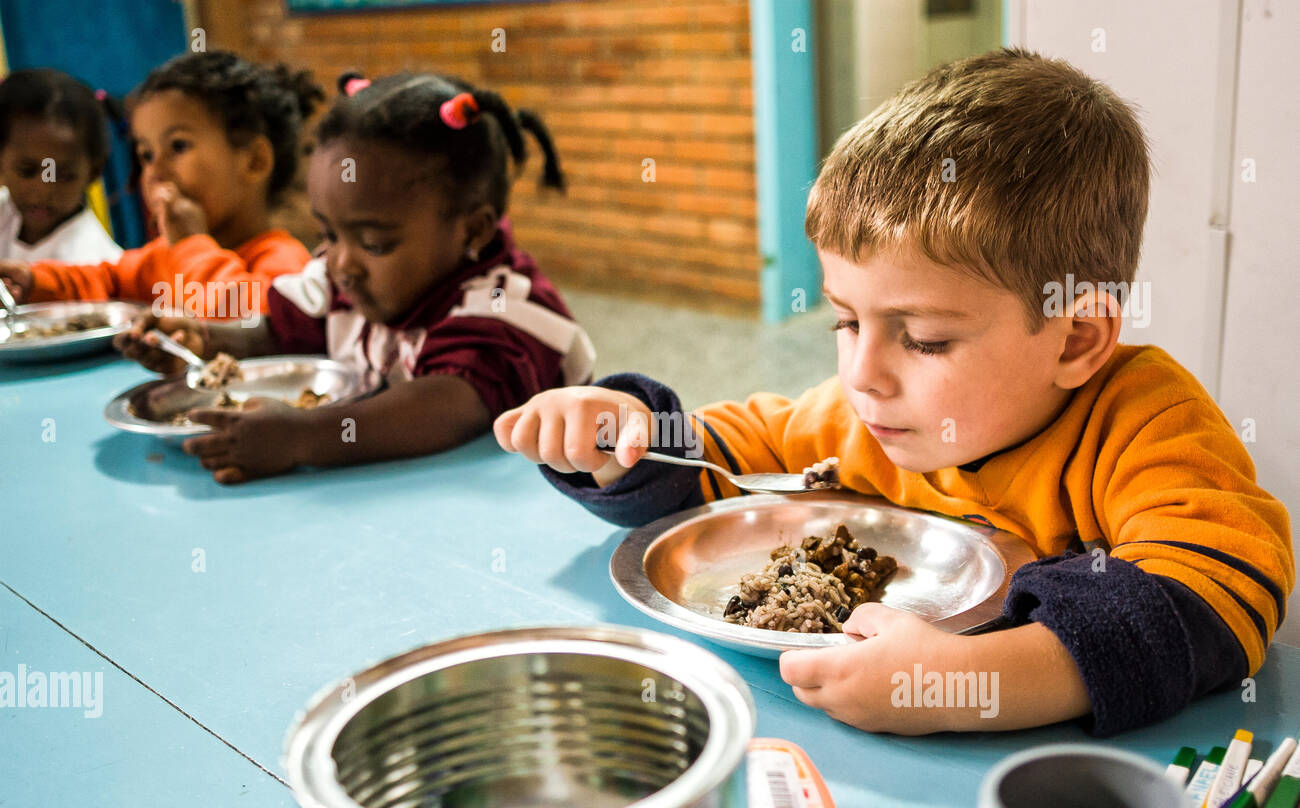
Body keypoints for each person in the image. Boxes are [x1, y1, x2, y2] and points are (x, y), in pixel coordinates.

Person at [494, 49, 1294, 737]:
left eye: (925, 339)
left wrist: (968, 686)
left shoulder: (1147, 423)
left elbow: (1219, 594)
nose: (862, 374)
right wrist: (622, 433)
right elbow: (724, 462)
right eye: (845, 322)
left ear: (1076, 337)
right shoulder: (856, 418)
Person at [117, 70, 594, 485]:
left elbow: (446, 402)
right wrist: (204, 338)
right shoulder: (341, 276)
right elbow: (281, 329)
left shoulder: (506, 309)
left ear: (472, 228)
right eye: (328, 232)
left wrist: (302, 439)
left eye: (375, 243)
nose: (340, 262)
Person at [0, 51, 322, 319]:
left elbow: (244, 316)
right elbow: (106, 280)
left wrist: (192, 245)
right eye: (147, 154)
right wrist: (36, 281)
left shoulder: (282, 262)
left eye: (178, 147)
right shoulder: (162, 258)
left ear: (254, 161)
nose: (156, 171)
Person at [0, 68, 123, 264]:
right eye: (27, 171)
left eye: (63, 175)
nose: (44, 190)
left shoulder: (95, 265)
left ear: (93, 171)